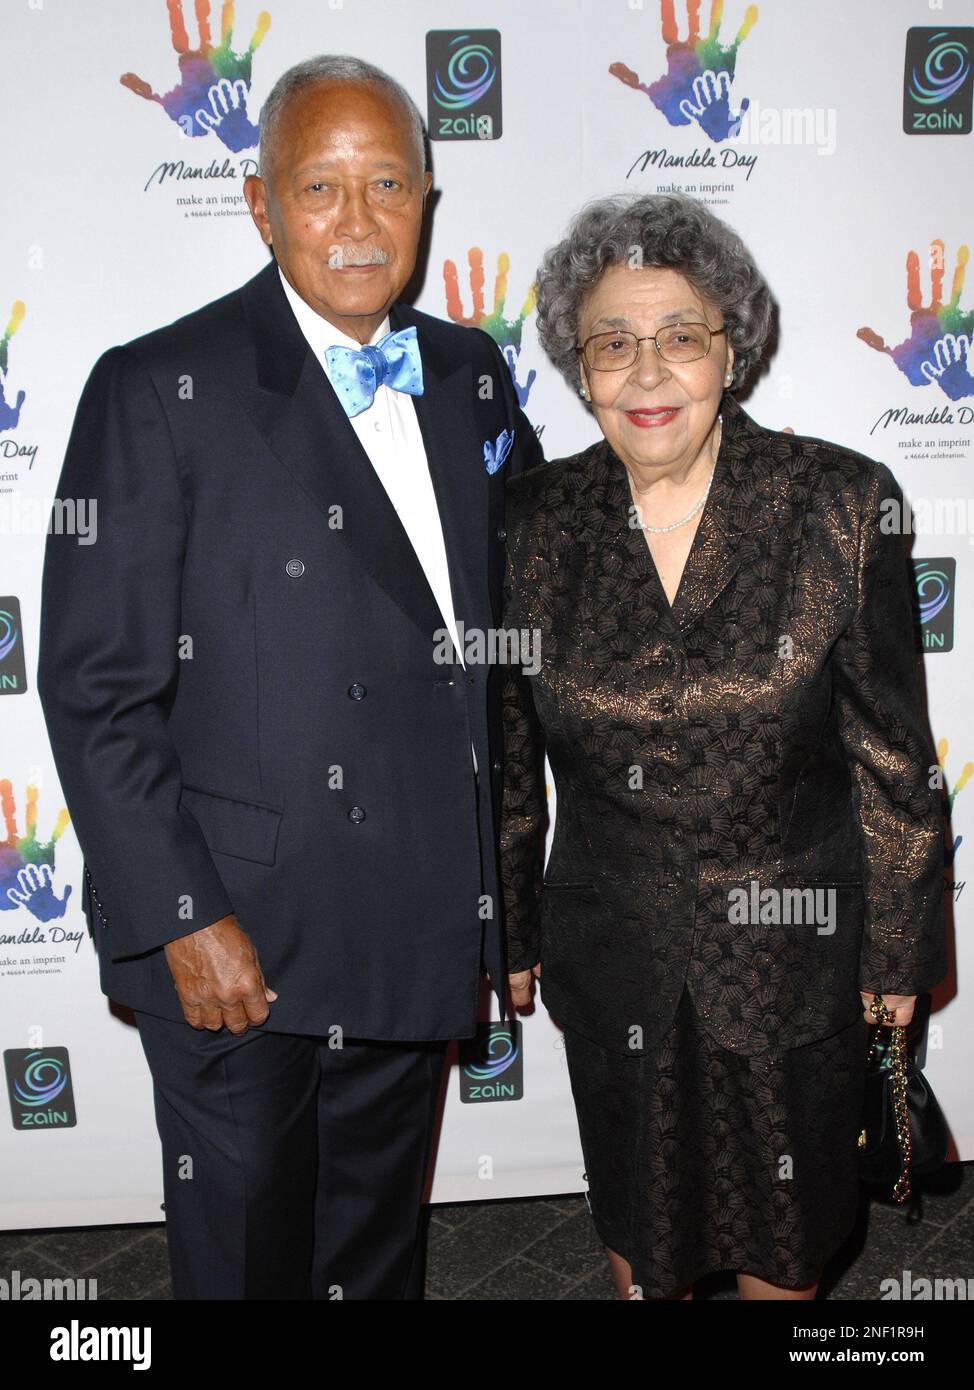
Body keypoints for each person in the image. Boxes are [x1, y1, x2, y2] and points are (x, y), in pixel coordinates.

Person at [37, 54, 542, 1300]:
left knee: (373, 1256)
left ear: (429, 198)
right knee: (249, 1262)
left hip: (414, 922)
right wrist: (179, 916)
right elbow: (95, 685)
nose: (359, 221)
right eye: (320, 187)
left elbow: (509, 658)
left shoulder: (472, 372)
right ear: (260, 206)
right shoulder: (156, 388)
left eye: (387, 183)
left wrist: (503, 900)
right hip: (238, 944)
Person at [500, 192, 948, 1301]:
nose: (646, 373)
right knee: (643, 1249)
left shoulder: (837, 506)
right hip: (612, 956)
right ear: (577, 364)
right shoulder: (527, 523)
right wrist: (503, 923)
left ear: (730, 350)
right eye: (612, 342)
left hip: (790, 958)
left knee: (784, 1250)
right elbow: (505, 758)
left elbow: (896, 762)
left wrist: (896, 959)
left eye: (679, 338)